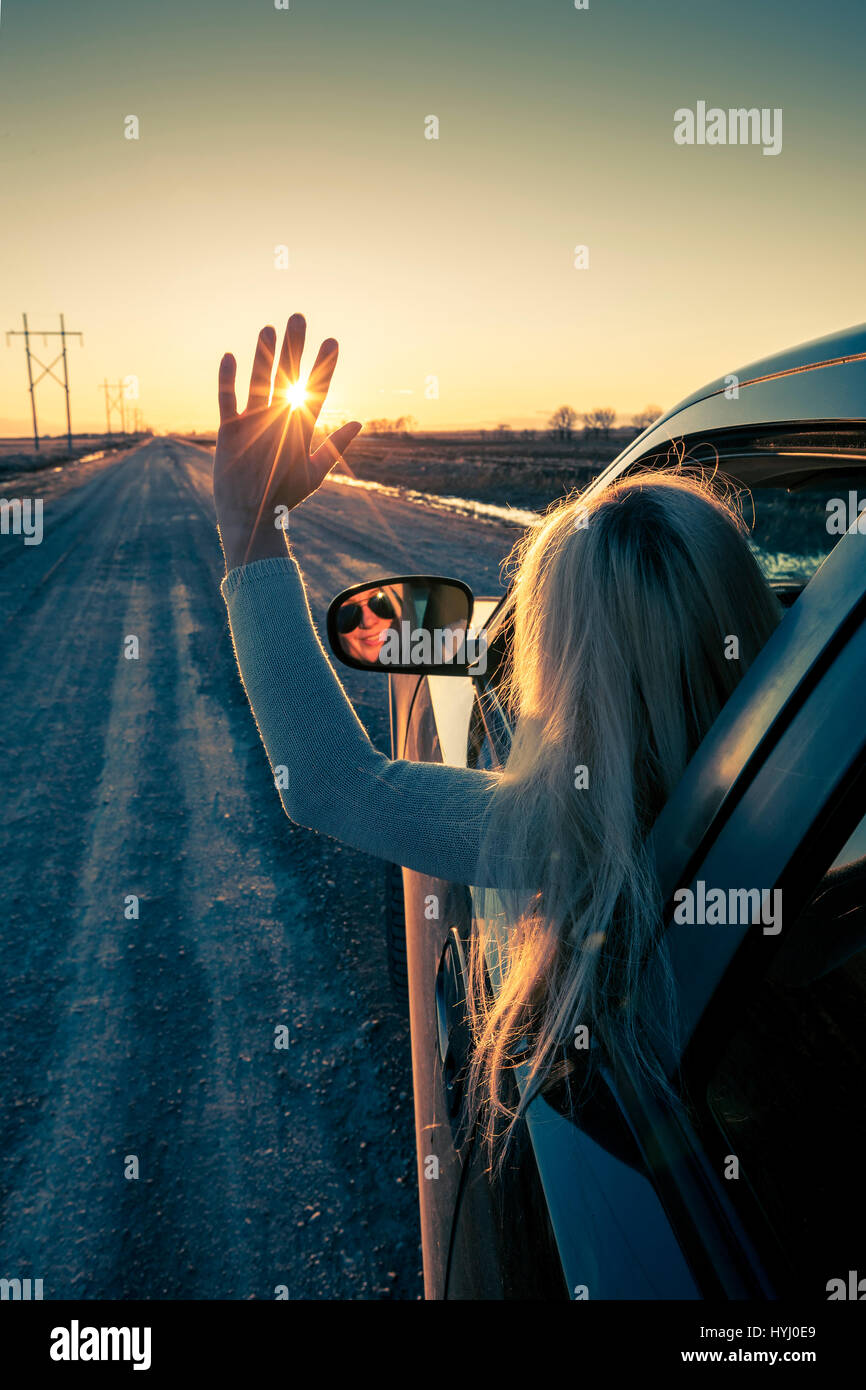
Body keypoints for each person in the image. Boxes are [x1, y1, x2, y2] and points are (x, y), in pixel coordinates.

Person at [213, 313, 782, 1152]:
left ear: (562, 670)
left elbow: (329, 781)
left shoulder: (570, 833)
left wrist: (250, 533)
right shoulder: (819, 788)